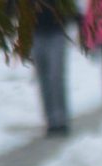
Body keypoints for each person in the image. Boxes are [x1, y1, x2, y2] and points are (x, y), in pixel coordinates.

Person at [26, 0, 80, 135]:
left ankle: (61, 120)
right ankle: (51, 121)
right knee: (43, 78)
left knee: (56, 76)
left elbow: (69, 6)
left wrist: (77, 19)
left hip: (57, 32)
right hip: (36, 32)